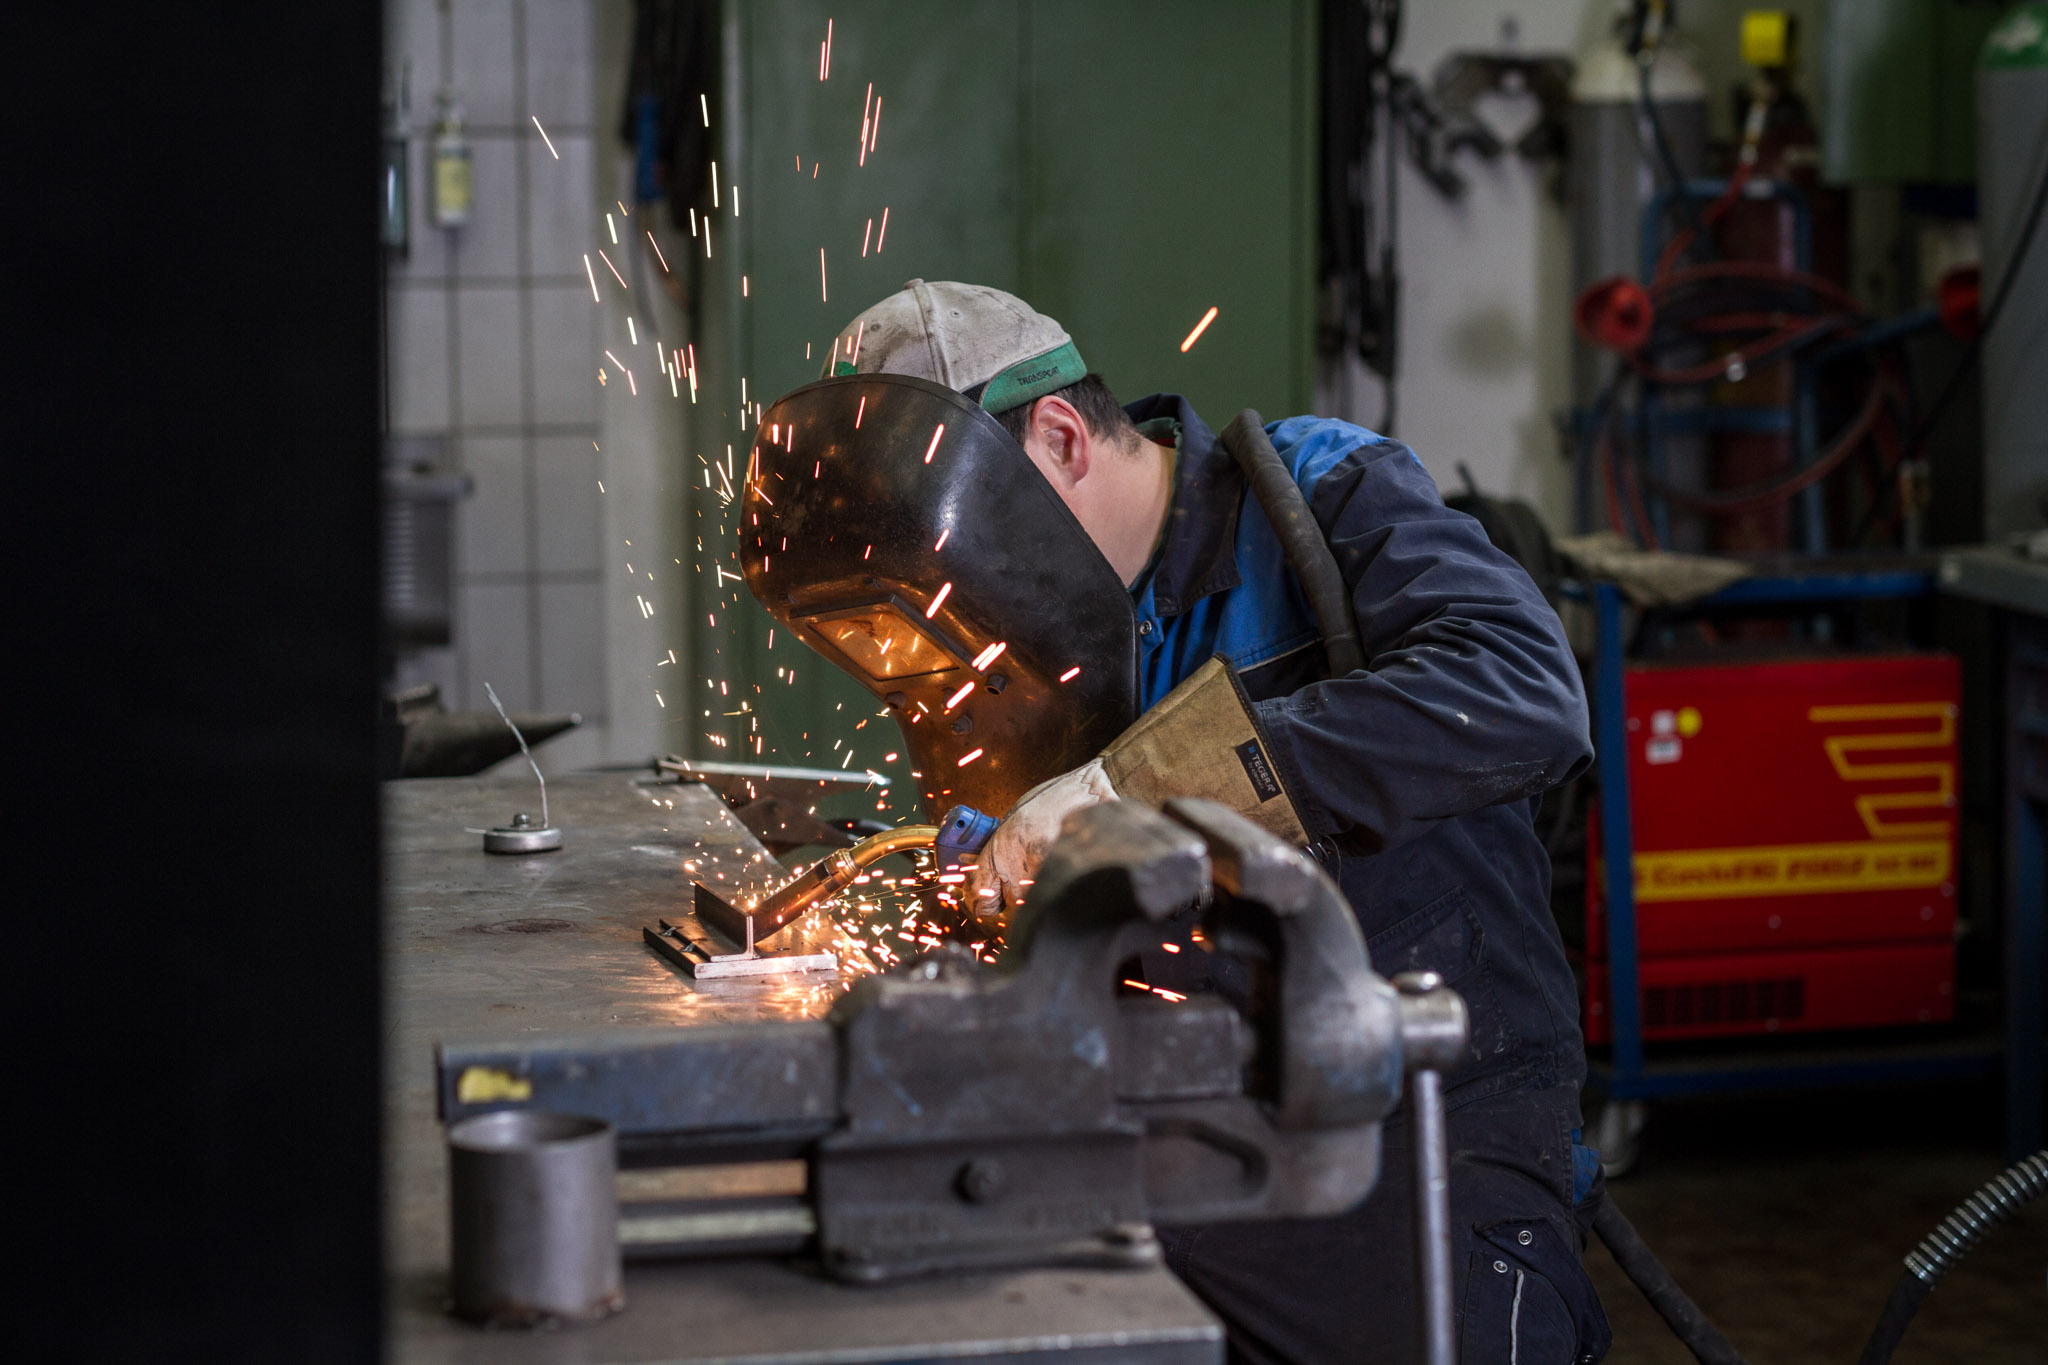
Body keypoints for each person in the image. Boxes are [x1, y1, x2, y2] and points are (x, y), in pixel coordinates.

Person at [805, 280, 1610, 1365]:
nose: (963, 603)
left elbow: (1521, 694)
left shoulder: (1318, 495)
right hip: (1181, 1137)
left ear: (1057, 439)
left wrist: (1128, 792)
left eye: (962, 556)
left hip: (1426, 1125)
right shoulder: (1023, 638)